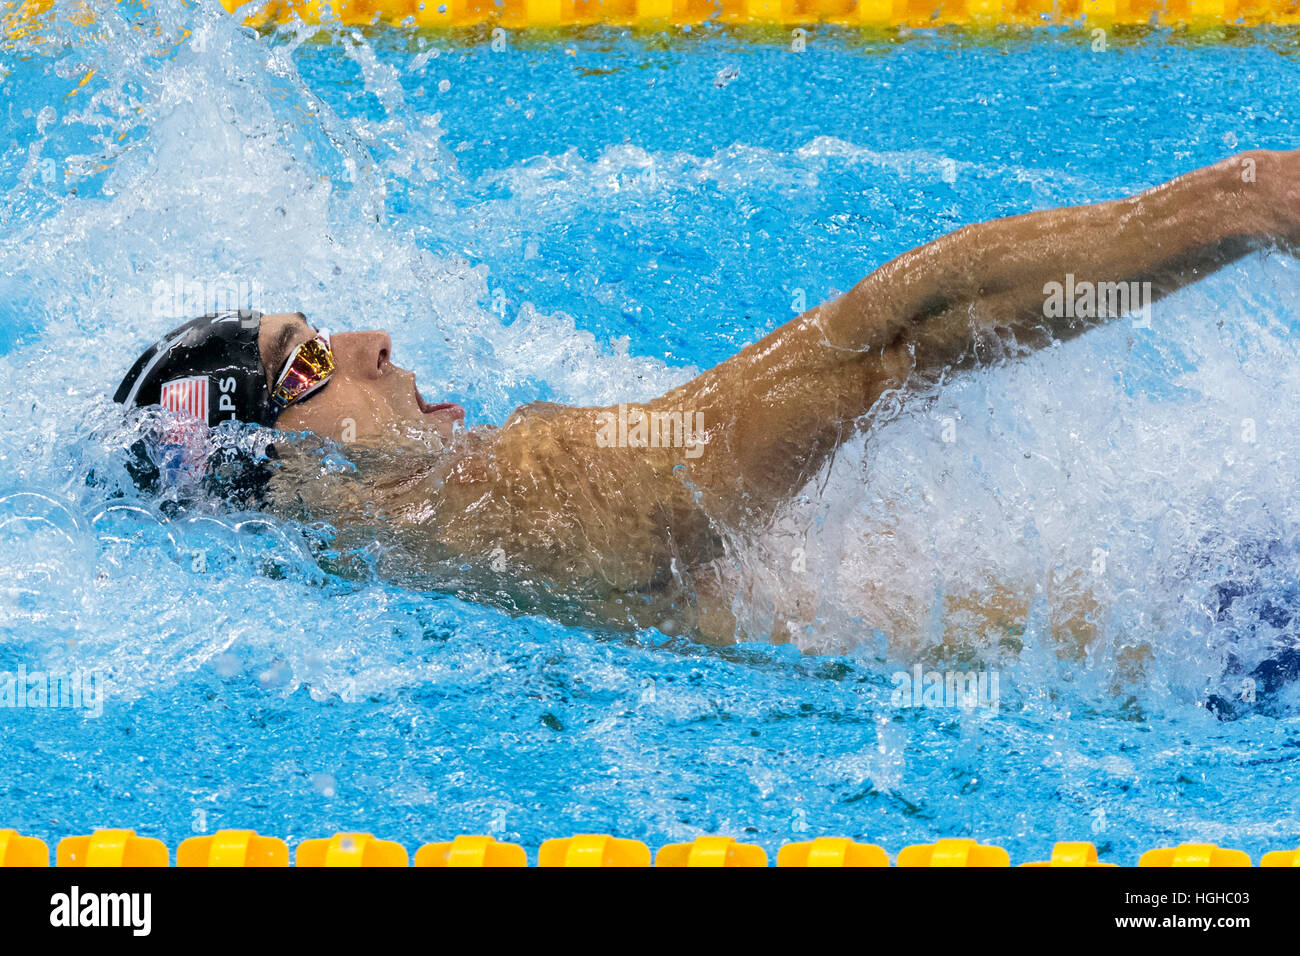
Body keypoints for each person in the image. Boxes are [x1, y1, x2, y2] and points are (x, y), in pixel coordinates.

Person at [115, 149, 1300, 647]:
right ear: (273, 470)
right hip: (1232, 637)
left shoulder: (435, 565)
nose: (370, 341)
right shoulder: (522, 505)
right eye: (308, 368)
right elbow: (886, 345)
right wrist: (1238, 203)